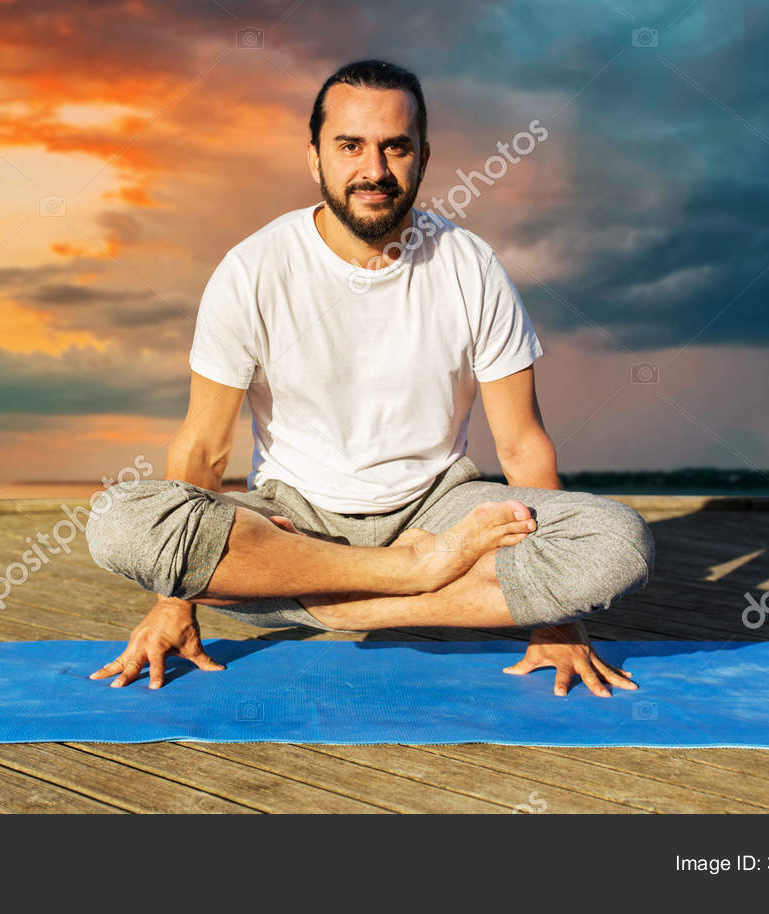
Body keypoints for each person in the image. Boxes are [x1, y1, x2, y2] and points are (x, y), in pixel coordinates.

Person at [85, 59, 653, 696]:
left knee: (616, 543)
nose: (374, 170)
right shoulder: (252, 268)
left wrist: (558, 619)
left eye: (396, 147)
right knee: (122, 523)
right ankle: (409, 575)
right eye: (350, 146)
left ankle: (341, 605)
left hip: (439, 512)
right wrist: (173, 605)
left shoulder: (471, 265)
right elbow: (202, 446)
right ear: (314, 158)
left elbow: (521, 443)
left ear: (423, 158)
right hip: (293, 522)